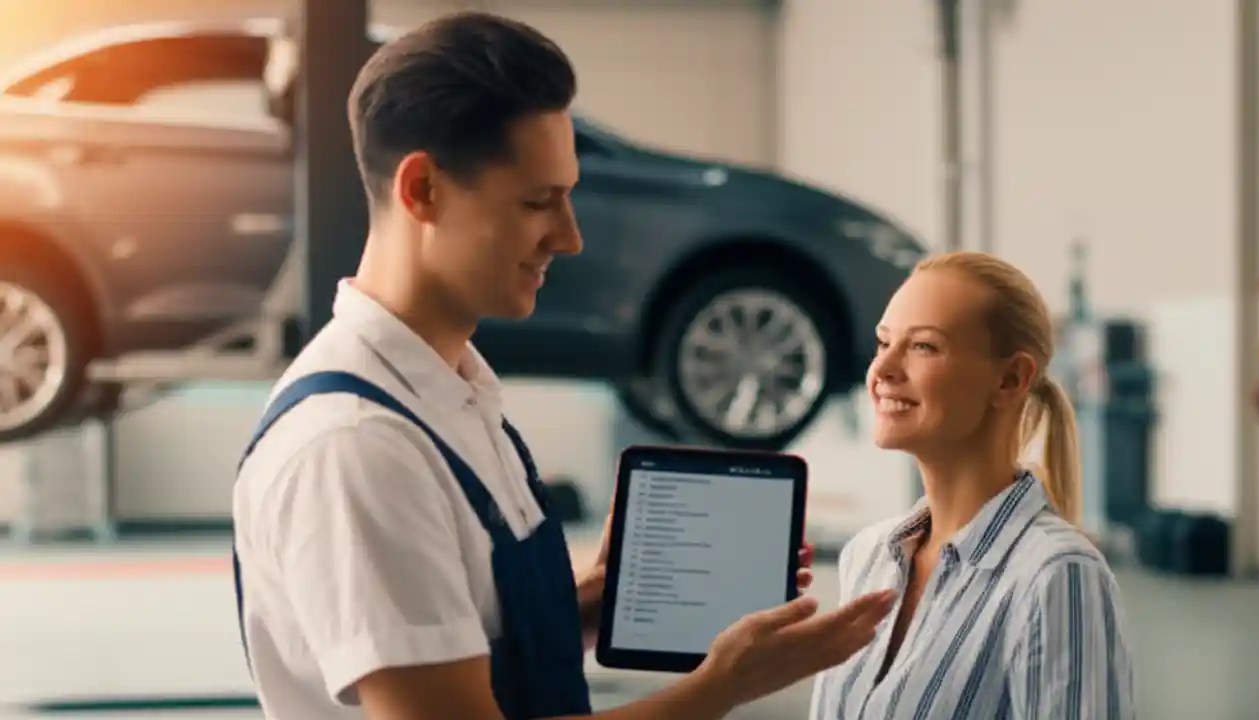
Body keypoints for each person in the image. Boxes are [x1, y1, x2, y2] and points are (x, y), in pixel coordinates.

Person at [231, 11, 897, 720]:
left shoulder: (452, 396)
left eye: (569, 196)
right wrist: (722, 687)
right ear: (422, 189)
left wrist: (587, 604)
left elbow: (473, 643)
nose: (570, 237)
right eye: (537, 203)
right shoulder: (360, 447)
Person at [808, 251, 1135, 719]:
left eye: (924, 346)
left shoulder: (1057, 574)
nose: (882, 370)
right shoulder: (867, 556)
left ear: (1010, 379)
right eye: (884, 343)